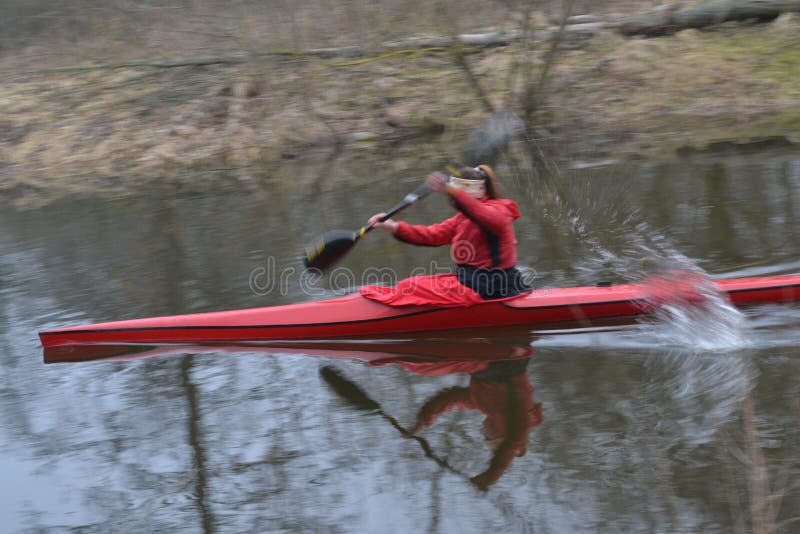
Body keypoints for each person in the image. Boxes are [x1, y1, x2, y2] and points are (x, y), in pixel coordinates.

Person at [363, 165, 530, 305]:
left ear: (480, 189)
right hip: (472, 283)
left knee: (410, 286)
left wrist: (450, 190)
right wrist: (393, 226)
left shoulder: (500, 210)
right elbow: (432, 235)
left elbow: (487, 216)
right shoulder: (462, 218)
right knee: (408, 284)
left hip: (490, 287)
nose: (452, 196)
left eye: (458, 190)